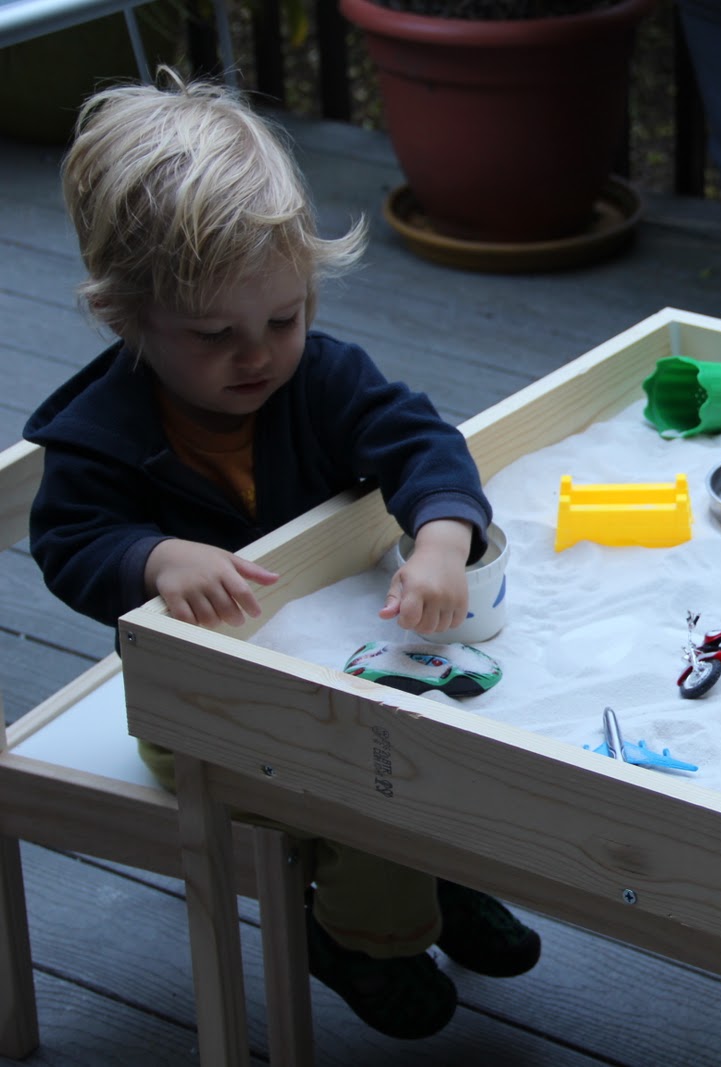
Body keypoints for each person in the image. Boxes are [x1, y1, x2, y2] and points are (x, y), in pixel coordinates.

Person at [25, 72, 540, 1041]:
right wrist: (153, 556)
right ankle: (362, 938)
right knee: (362, 769)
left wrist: (439, 537)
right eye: (214, 334)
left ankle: (443, 887)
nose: (258, 355)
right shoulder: (100, 434)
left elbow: (421, 441)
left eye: (284, 317)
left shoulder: (324, 376)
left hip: (334, 651)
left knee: (456, 718)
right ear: (125, 317)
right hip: (196, 706)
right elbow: (67, 541)